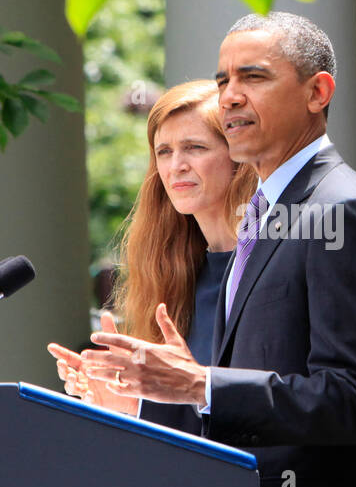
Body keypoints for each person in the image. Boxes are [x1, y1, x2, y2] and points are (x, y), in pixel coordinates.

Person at [77, 12, 356, 487]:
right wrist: (155, 399)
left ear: (318, 93)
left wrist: (203, 384)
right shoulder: (267, 216)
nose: (231, 96)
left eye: (254, 77)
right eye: (223, 80)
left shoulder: (341, 213)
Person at [47, 80, 256, 432]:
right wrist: (129, 401)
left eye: (195, 147)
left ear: (238, 158)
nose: (177, 166)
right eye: (164, 152)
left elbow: (274, 409)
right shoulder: (171, 274)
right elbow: (195, 420)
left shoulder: (270, 266)